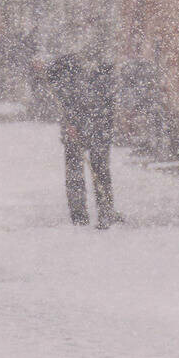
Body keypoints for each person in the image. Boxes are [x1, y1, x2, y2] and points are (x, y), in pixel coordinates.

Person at [47, 46, 121, 228]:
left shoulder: (104, 70)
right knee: (75, 173)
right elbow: (61, 92)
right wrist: (70, 122)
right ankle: (79, 215)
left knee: (100, 170)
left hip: (98, 126)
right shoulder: (68, 67)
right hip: (78, 126)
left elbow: (108, 101)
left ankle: (105, 211)